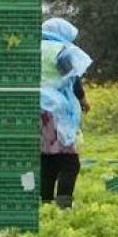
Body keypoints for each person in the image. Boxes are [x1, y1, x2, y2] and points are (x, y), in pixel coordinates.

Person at [39, 17, 92, 209]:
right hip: (56, 110)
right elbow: (72, 79)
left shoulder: (33, 49)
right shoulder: (60, 51)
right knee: (70, 163)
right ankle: (63, 206)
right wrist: (83, 99)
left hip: (36, 110)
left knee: (46, 159)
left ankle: (44, 204)